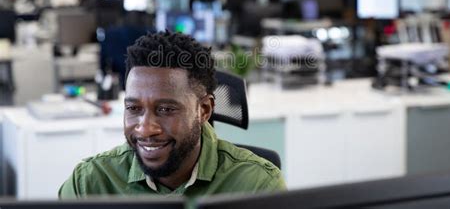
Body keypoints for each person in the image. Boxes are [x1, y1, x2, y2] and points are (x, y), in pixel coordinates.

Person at [59, 31, 286, 198]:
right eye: (133, 108)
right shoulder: (91, 184)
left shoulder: (256, 185)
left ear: (204, 109)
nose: (145, 128)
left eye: (166, 110)